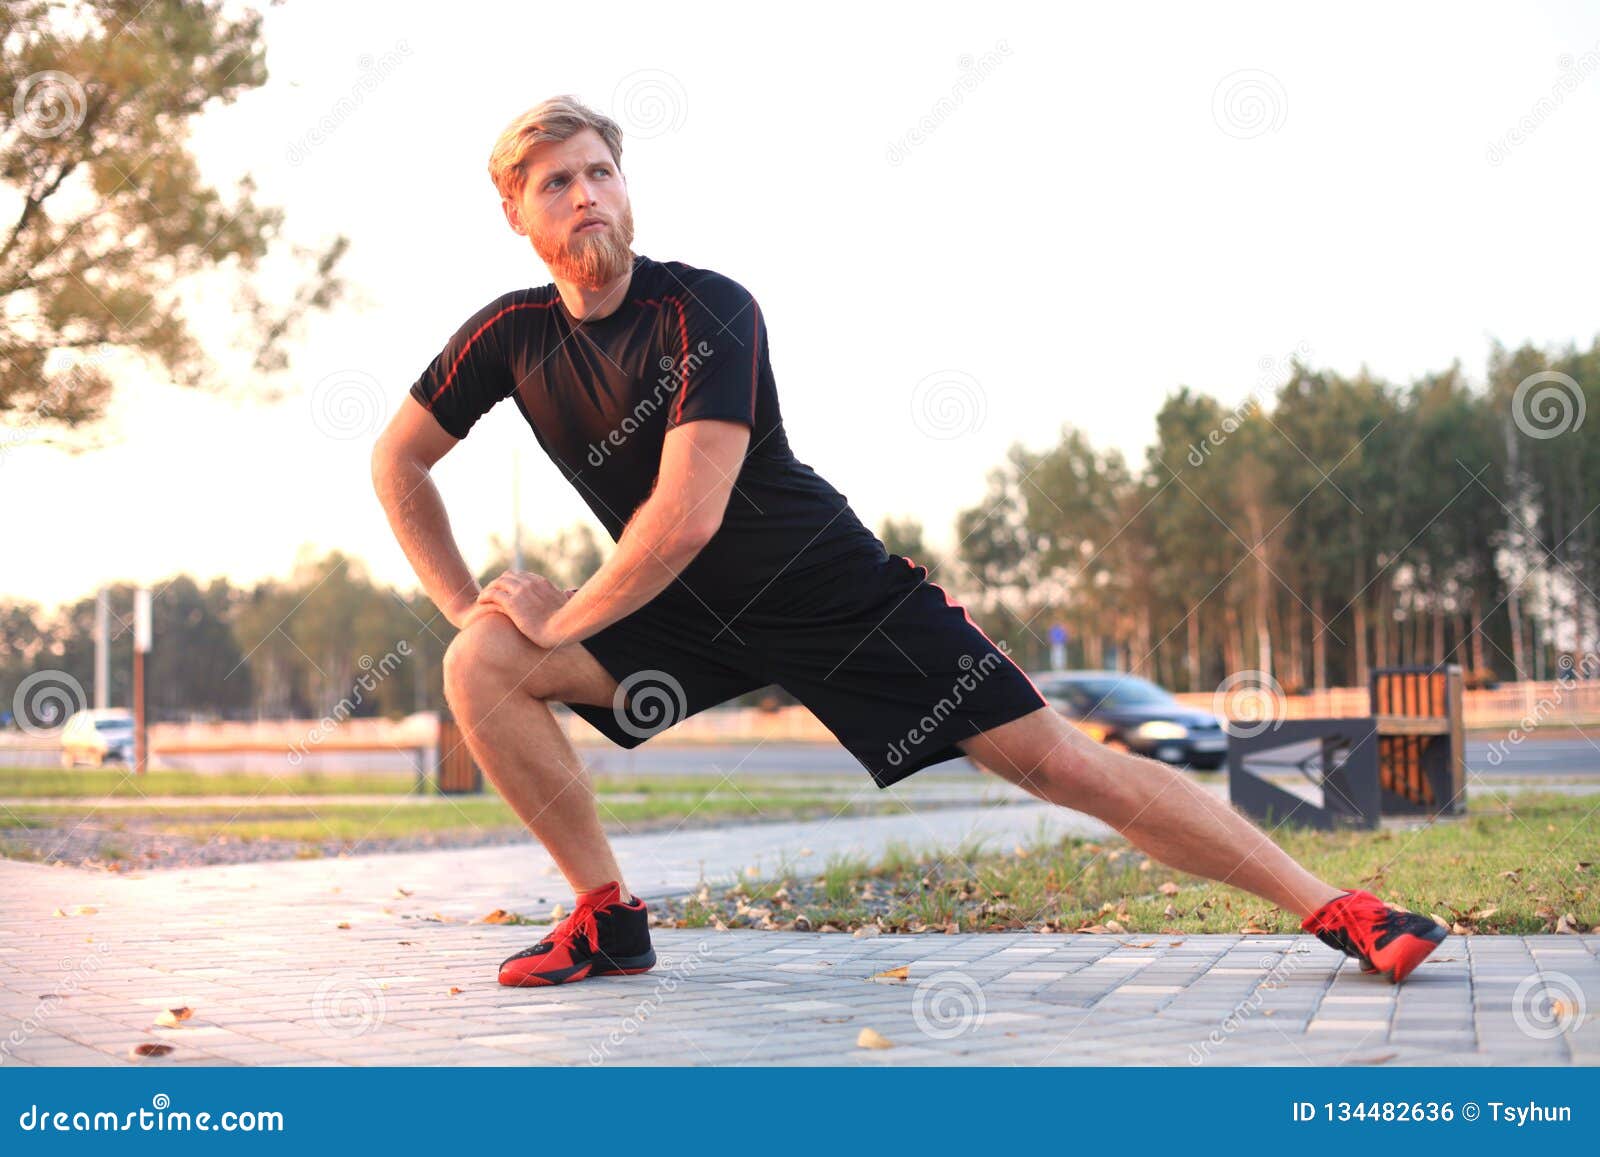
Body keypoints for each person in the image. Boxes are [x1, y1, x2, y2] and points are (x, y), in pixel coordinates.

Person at [370, 95, 1447, 989]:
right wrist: (473, 604)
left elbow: (687, 514)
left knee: (1060, 764)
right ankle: (606, 916)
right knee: (481, 660)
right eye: (557, 182)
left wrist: (564, 612)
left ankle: (1340, 908)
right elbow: (398, 462)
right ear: (514, 211)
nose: (588, 194)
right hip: (680, 618)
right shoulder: (507, 334)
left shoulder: (706, 309)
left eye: (602, 170)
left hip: (827, 589)